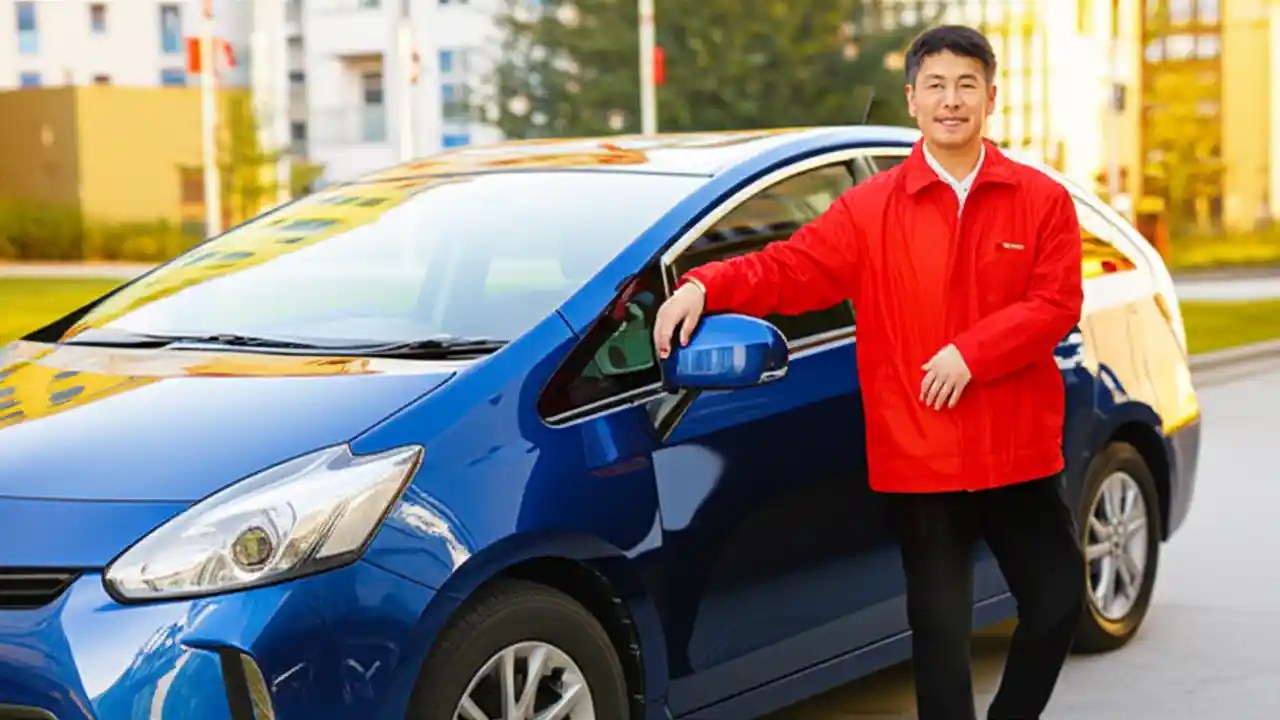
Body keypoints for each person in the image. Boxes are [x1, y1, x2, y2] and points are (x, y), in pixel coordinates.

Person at [652, 24, 1087, 720]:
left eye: (966, 85)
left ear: (991, 97)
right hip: (923, 456)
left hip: (1018, 454)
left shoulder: (1040, 200)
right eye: (936, 86)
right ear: (913, 100)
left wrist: (971, 354)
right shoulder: (870, 209)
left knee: (1059, 600)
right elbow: (789, 270)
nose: (952, 100)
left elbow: (1056, 303)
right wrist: (707, 284)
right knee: (941, 639)